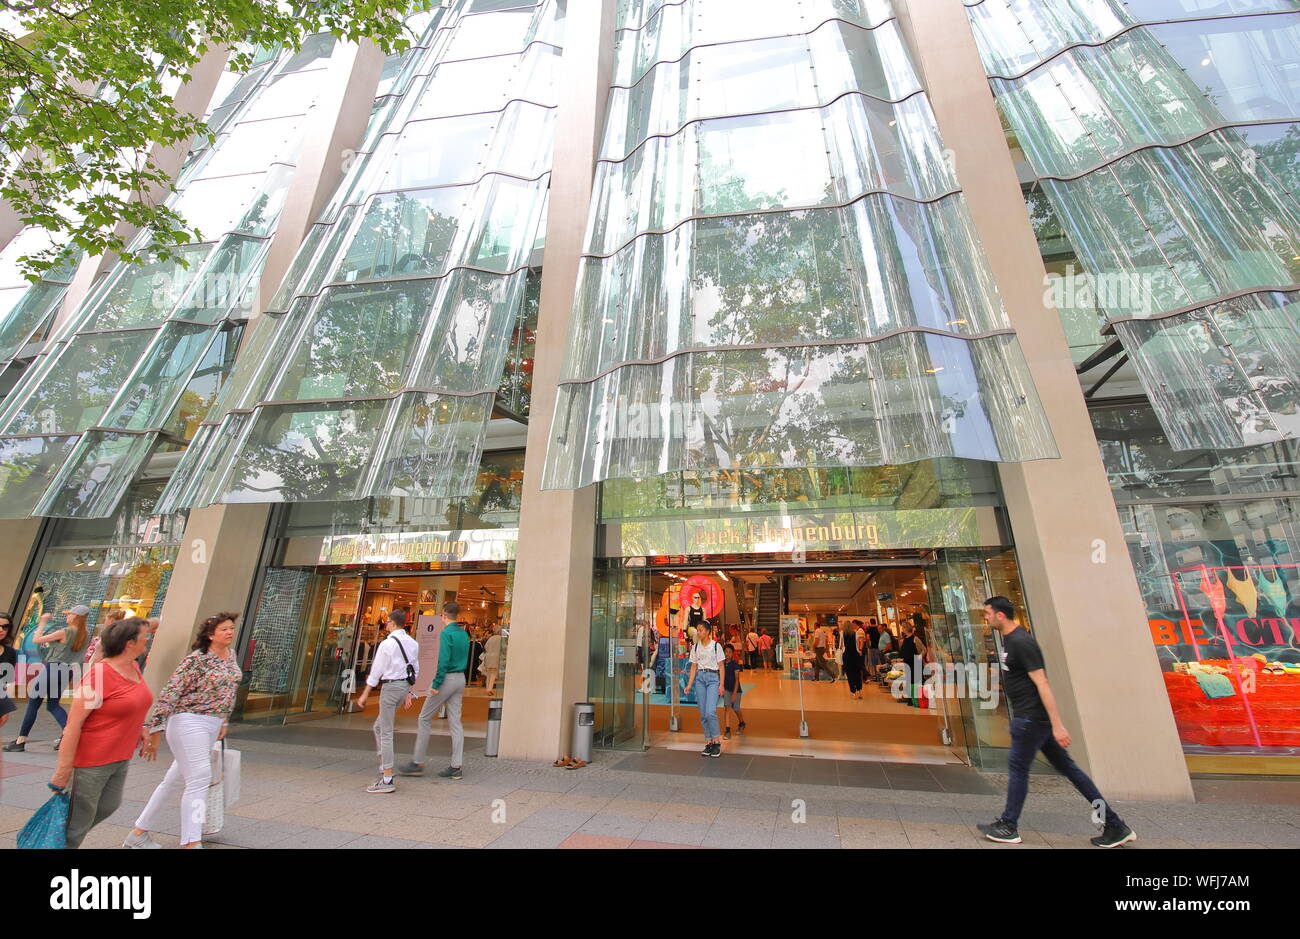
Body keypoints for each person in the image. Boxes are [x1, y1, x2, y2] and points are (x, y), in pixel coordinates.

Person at [976, 596, 1136, 848]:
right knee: (1070, 770)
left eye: (987, 613)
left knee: (1018, 769)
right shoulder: (1010, 639)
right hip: (1032, 720)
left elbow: (1042, 682)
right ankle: (1114, 825)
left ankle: (1008, 825)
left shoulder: (1022, 642)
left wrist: (1057, 724)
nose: (985, 617)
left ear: (1000, 615)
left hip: (1031, 719)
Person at [125, 612, 243, 849]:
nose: (230, 632)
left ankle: (138, 833)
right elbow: (170, 693)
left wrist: (224, 720)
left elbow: (229, 691)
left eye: (231, 628)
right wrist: (155, 728)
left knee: (173, 781)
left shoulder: (231, 656)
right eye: (224, 629)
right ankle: (192, 841)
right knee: (199, 778)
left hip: (211, 723)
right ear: (210, 635)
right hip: (189, 721)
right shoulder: (195, 660)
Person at [51, 617, 153, 849]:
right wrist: (63, 769)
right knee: (76, 823)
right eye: (144, 635)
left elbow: (133, 704)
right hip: (92, 759)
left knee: (108, 805)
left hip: (120, 756)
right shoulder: (100, 674)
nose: (148, 638)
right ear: (129, 642)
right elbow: (74, 724)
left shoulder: (134, 666)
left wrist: (141, 728)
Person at [399, 600, 468, 781]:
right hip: (460, 678)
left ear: (443, 615)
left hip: (447, 679)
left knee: (424, 717)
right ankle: (456, 765)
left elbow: (443, 660)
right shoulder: (464, 634)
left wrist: (436, 684)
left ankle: (418, 762)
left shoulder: (446, 633)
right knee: (455, 722)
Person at [4, 606, 89, 752]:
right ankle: (69, 735)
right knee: (53, 705)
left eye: (69, 614)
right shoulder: (86, 634)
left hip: (52, 669)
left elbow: (36, 640)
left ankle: (20, 741)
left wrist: (42, 621)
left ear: (75, 616)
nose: (67, 617)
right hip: (67, 671)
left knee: (33, 704)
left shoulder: (65, 632)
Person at [353, 609, 418, 793]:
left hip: (390, 688)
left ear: (391, 623)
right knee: (379, 727)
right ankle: (384, 767)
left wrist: (365, 693)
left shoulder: (387, 644)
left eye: (387, 623)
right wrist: (409, 693)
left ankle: (387, 778)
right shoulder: (413, 643)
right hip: (403, 686)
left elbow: (376, 672)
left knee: (386, 731)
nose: (386, 625)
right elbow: (415, 669)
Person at [683, 621, 723, 757]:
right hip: (700, 679)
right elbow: (693, 667)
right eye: (697, 630)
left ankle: (717, 742)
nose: (698, 632)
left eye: (700, 630)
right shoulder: (695, 647)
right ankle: (709, 742)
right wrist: (689, 685)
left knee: (710, 712)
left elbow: (721, 666)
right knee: (702, 713)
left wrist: (721, 685)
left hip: (713, 679)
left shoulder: (716, 646)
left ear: (707, 631)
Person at [899, 622, 927, 706]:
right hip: (908, 663)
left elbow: (924, 649)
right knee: (910, 681)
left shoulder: (915, 639)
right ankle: (912, 699)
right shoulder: (904, 639)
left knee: (917, 681)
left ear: (906, 628)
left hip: (916, 662)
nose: (902, 629)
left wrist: (919, 657)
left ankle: (919, 700)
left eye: (903, 627)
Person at [721, 643, 745, 739]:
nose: (727, 654)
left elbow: (737, 679)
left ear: (733, 653)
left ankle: (742, 723)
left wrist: (734, 693)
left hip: (736, 690)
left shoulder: (735, 664)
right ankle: (727, 730)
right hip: (726, 689)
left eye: (730, 652)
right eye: (726, 652)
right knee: (727, 708)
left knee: (736, 708)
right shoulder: (722, 663)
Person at [0, 613, 16, 733]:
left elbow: (9, 680)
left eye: (5, 627)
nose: (1, 630)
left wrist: (6, 706)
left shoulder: (10, 652)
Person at [842, 620, 865, 699]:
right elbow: (859, 643)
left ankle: (853, 692)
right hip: (855, 655)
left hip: (847, 656)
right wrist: (860, 650)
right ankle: (859, 691)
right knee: (857, 673)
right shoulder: (856, 633)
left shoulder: (842, 634)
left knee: (850, 674)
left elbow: (841, 647)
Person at [481, 623, 503, 696]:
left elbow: (486, 647)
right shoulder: (501, 639)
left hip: (488, 657)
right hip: (495, 657)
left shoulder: (491, 638)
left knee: (489, 674)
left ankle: (488, 689)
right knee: (493, 674)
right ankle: (489, 689)